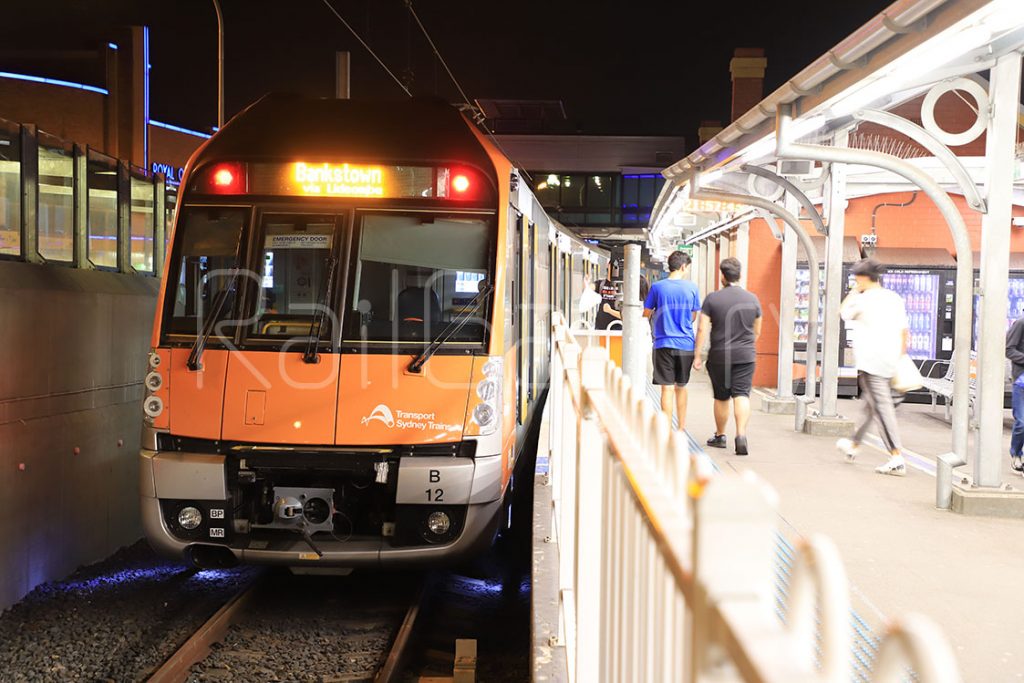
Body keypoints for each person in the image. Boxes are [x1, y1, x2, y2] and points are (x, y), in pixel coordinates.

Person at [835, 258, 910, 476]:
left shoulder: (863, 300)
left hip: (871, 362)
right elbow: (904, 330)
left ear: (862, 278)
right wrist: (900, 356)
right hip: (890, 359)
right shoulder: (893, 298)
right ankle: (854, 444)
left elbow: (842, 312)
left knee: (881, 408)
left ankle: (896, 456)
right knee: (871, 405)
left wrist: (854, 292)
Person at [694, 257, 762, 455]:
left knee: (722, 397)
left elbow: (702, 329)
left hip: (719, 356)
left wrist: (697, 355)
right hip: (745, 355)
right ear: (739, 275)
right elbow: (757, 331)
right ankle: (741, 435)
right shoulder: (753, 299)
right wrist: (746, 346)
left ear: (722, 276)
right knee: (741, 394)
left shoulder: (712, 299)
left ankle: (720, 435)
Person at [643, 250, 701, 430]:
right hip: (685, 344)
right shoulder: (692, 288)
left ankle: (666, 430)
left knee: (666, 389)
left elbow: (646, 313)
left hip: (662, 344)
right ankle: (681, 428)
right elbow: (693, 317)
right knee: (681, 387)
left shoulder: (657, 287)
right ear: (683, 266)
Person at [1005, 314, 1024, 473]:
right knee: (1022, 422)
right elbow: (1009, 350)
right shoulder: (1020, 323)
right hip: (1021, 381)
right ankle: (1016, 453)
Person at [594, 262, 621, 330]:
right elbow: (591, 288)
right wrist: (587, 286)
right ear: (608, 266)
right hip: (601, 326)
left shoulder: (622, 285)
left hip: (617, 327)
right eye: (611, 265)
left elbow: (625, 315)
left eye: (616, 267)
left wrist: (609, 310)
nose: (613, 268)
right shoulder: (601, 284)